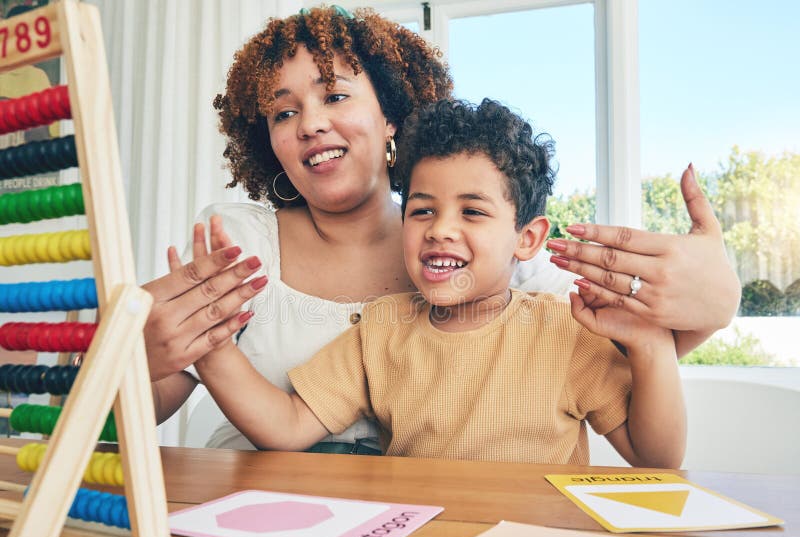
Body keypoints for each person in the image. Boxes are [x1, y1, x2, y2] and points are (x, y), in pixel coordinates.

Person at [142, 6, 737, 453]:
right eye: (284, 111)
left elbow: (628, 360)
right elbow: (184, 403)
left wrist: (709, 306)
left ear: (391, 115)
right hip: (266, 512)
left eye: (336, 95)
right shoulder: (253, 252)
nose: (310, 125)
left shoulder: (511, 273)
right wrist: (137, 353)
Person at [192, 98, 686, 467]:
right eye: (422, 210)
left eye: (472, 211)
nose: (440, 229)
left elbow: (656, 460)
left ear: (528, 238)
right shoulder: (380, 329)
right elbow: (288, 427)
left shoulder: (567, 333)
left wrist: (650, 345)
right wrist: (214, 350)